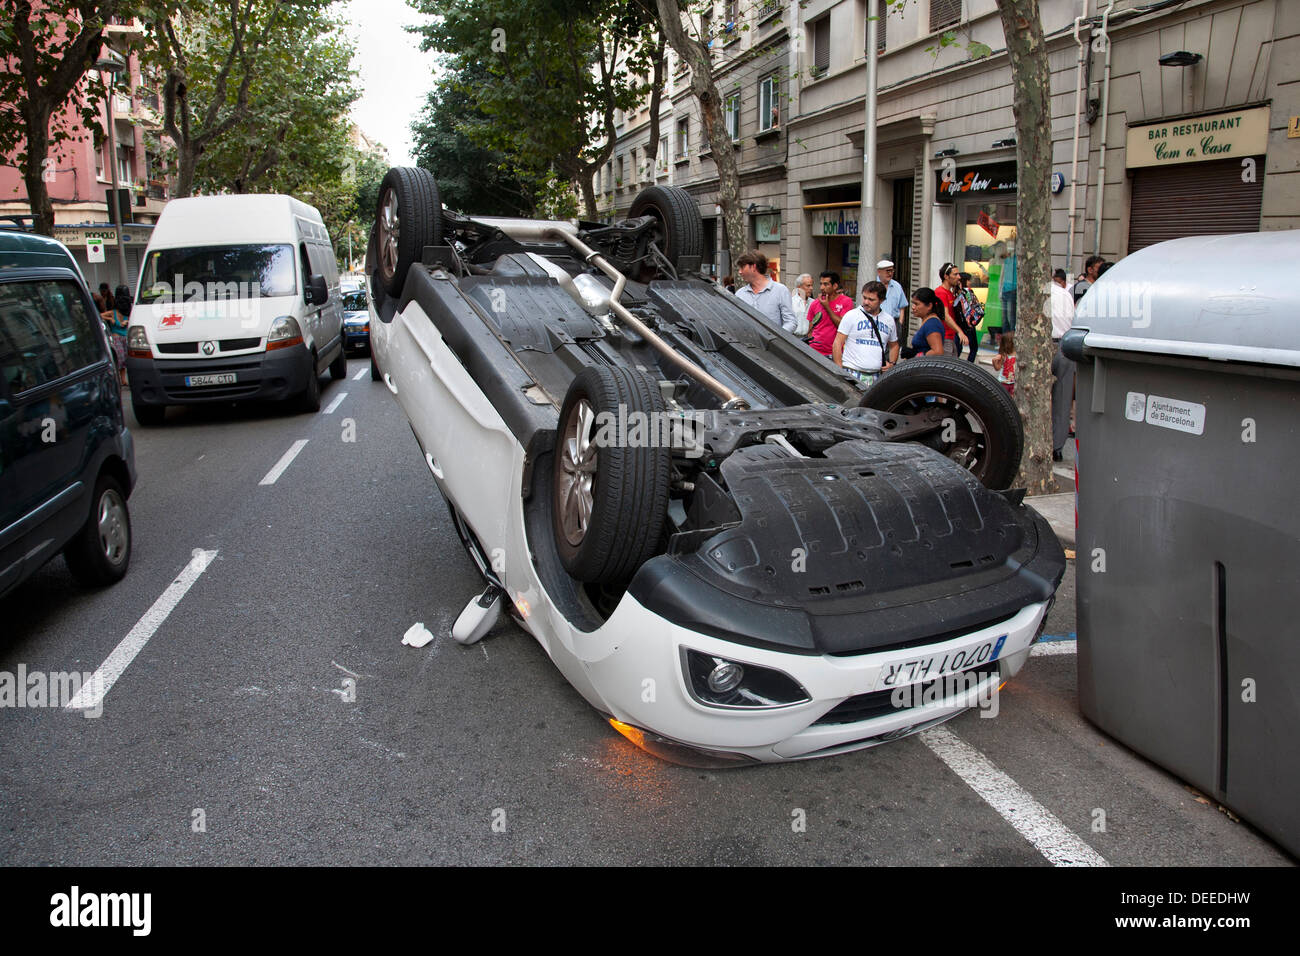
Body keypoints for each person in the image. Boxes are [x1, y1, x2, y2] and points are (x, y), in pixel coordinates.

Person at [833, 280, 898, 384]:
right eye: (864, 298)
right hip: (851, 372)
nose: (866, 302)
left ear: (881, 300)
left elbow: (894, 345)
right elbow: (837, 342)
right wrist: (839, 370)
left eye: (871, 299)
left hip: (877, 376)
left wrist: (892, 364)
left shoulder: (889, 320)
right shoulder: (851, 315)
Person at [732, 251, 797, 332]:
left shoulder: (780, 290)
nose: (740, 272)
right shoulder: (740, 294)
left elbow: (791, 322)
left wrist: (777, 339)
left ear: (753, 267)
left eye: (742, 267)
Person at [1050, 272, 1078, 461]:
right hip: (1064, 347)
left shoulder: (1041, 292)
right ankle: (1057, 446)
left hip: (1044, 344)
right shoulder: (1064, 293)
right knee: (1062, 398)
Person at [805, 270, 855, 357]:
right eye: (821, 284)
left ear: (835, 286)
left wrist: (827, 307)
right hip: (814, 351)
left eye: (826, 284)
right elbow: (810, 330)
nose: (821, 287)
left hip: (834, 353)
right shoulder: (815, 303)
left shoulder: (846, 301)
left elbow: (842, 325)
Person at [935, 262, 970, 358]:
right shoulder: (940, 293)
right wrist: (960, 332)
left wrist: (959, 292)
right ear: (946, 276)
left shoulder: (950, 293)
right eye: (955, 274)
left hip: (951, 337)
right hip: (944, 338)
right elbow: (945, 315)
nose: (959, 277)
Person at [902, 288, 947, 358]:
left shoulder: (932, 324)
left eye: (916, 304)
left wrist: (915, 355)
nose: (913, 307)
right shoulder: (928, 322)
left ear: (929, 306)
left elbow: (938, 352)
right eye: (913, 303)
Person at [101, 285, 132, 386]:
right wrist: (111, 319)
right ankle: (120, 379)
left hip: (126, 337)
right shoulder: (113, 312)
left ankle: (123, 379)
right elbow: (100, 315)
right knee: (120, 358)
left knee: (126, 359)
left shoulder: (129, 313)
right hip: (116, 337)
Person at [955, 271, 983, 363]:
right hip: (968, 323)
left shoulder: (955, 292)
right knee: (973, 348)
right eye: (969, 280)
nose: (970, 282)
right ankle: (969, 365)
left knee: (958, 348)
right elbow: (973, 305)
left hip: (958, 323)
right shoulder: (968, 291)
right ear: (965, 281)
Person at [875, 259, 909, 332]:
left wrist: (900, 323)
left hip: (894, 323)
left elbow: (902, 307)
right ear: (879, 272)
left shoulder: (897, 286)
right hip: (876, 322)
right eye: (887, 271)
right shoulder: (873, 285)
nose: (890, 273)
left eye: (892, 271)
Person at [1000, 245, 1018, 333]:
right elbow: (1002, 277)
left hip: (1013, 290)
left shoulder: (1017, 261)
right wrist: (1000, 291)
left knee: (1011, 316)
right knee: (1004, 316)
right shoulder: (1006, 261)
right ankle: (1005, 337)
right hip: (1005, 290)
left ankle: (1011, 336)